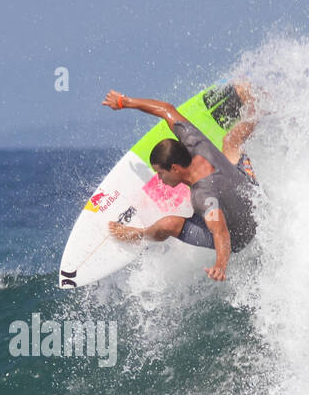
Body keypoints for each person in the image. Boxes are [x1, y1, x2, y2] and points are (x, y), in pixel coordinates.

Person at [101, 83, 260, 281]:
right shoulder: (195, 141)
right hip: (252, 195)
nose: (159, 179)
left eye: (160, 173)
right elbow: (166, 110)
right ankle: (257, 110)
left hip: (243, 233)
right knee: (231, 141)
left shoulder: (202, 196)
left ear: (175, 168)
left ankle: (139, 234)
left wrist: (220, 265)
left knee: (169, 223)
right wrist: (125, 101)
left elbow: (221, 232)